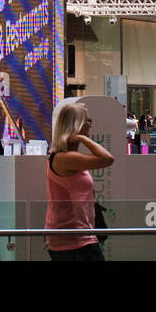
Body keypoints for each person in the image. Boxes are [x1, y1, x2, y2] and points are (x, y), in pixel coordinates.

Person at [46, 102, 114, 261]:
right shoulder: (65, 158)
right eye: (87, 120)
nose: (90, 124)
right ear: (76, 125)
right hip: (73, 239)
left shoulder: (67, 157)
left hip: (77, 236)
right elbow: (107, 158)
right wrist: (82, 138)